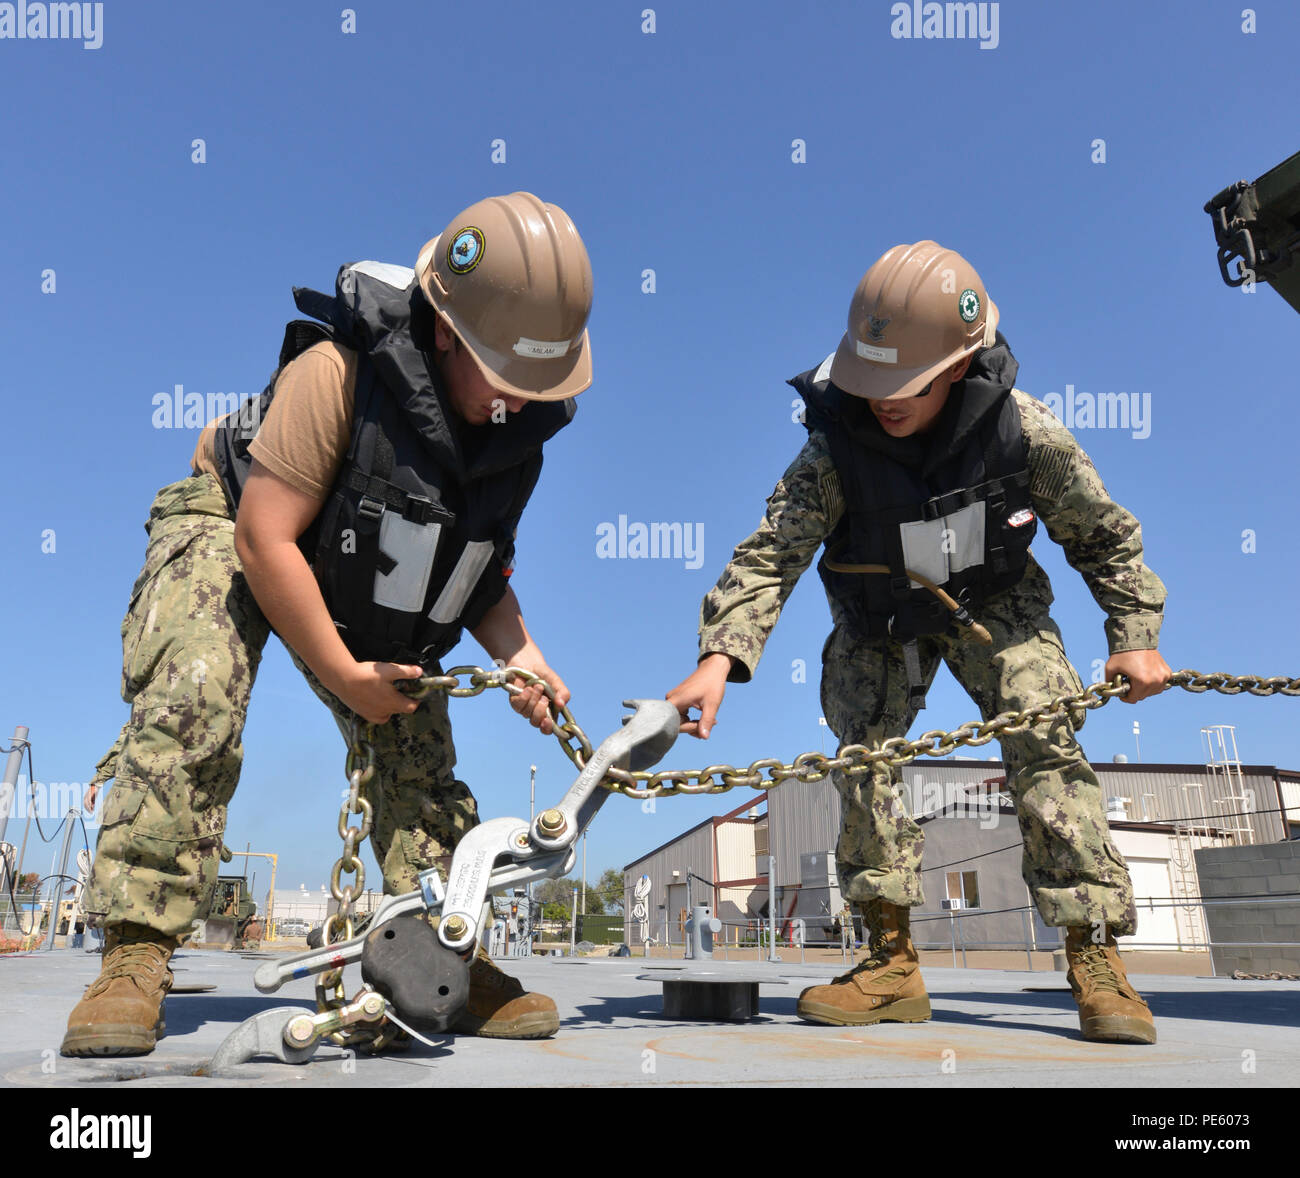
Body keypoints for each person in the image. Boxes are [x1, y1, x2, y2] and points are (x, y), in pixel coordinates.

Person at [64, 192, 592, 1056]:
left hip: (369, 566)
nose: (523, 398)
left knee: (418, 754)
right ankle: (133, 949)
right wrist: (345, 678)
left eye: (540, 382)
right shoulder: (338, 375)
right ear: (449, 333)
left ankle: (440, 958)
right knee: (197, 690)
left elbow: (480, 575)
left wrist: (525, 658)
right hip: (240, 522)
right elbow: (265, 538)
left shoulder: (514, 440)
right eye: (511, 374)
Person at [667, 241, 1170, 1044]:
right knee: (864, 757)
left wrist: (1134, 636)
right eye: (872, 383)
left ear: (963, 367)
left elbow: (1106, 537)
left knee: (1044, 731)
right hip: (880, 620)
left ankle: (1095, 955)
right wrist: (717, 660)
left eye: (908, 386)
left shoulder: (1024, 432)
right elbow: (770, 554)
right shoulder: (834, 450)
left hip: (995, 605)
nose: (885, 402)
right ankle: (891, 963)